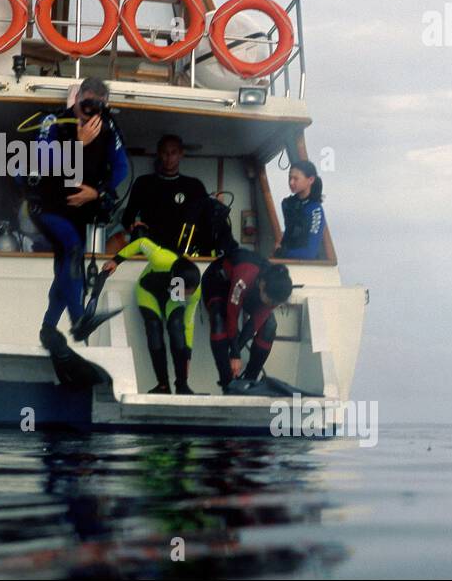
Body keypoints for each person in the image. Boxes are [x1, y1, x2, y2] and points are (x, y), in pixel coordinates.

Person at [23, 77, 130, 368]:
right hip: (47, 205)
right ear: (77, 98)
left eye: (97, 105)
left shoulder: (108, 127)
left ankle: (48, 327)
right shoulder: (53, 120)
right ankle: (79, 319)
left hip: (80, 210)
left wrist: (98, 191)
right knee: (71, 250)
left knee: (66, 270)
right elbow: (42, 160)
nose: (90, 111)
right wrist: (77, 144)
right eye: (86, 103)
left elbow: (122, 168)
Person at [202, 195, 294, 393]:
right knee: (219, 318)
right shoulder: (245, 276)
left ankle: (250, 380)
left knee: (269, 324)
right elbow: (232, 315)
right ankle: (227, 382)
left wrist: (237, 349)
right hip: (218, 282)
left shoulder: (274, 291)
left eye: (273, 302)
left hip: (250, 293)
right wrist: (233, 354)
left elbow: (254, 324)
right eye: (269, 300)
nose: (270, 303)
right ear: (262, 285)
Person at [100, 238, 202, 394]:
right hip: (148, 291)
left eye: (189, 294)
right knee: (154, 328)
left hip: (172, 297)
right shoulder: (161, 258)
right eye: (186, 293)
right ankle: (163, 385)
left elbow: (188, 324)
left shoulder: (194, 292)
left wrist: (187, 355)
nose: (189, 296)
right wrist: (116, 260)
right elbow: (141, 242)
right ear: (177, 282)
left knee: (177, 329)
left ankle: (182, 385)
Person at [120, 134, 209, 253]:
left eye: (173, 152)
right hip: (149, 252)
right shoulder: (143, 183)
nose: (169, 157)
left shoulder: (194, 186)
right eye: (165, 152)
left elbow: (206, 220)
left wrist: (216, 205)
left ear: (181, 154)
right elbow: (127, 218)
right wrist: (133, 225)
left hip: (181, 254)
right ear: (158, 153)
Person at [274, 159, 325, 260]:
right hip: (287, 259)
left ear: (310, 180)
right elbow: (289, 233)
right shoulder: (287, 204)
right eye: (290, 178)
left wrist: (284, 253)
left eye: (296, 179)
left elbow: (310, 252)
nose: (291, 182)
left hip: (306, 266)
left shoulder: (315, 210)